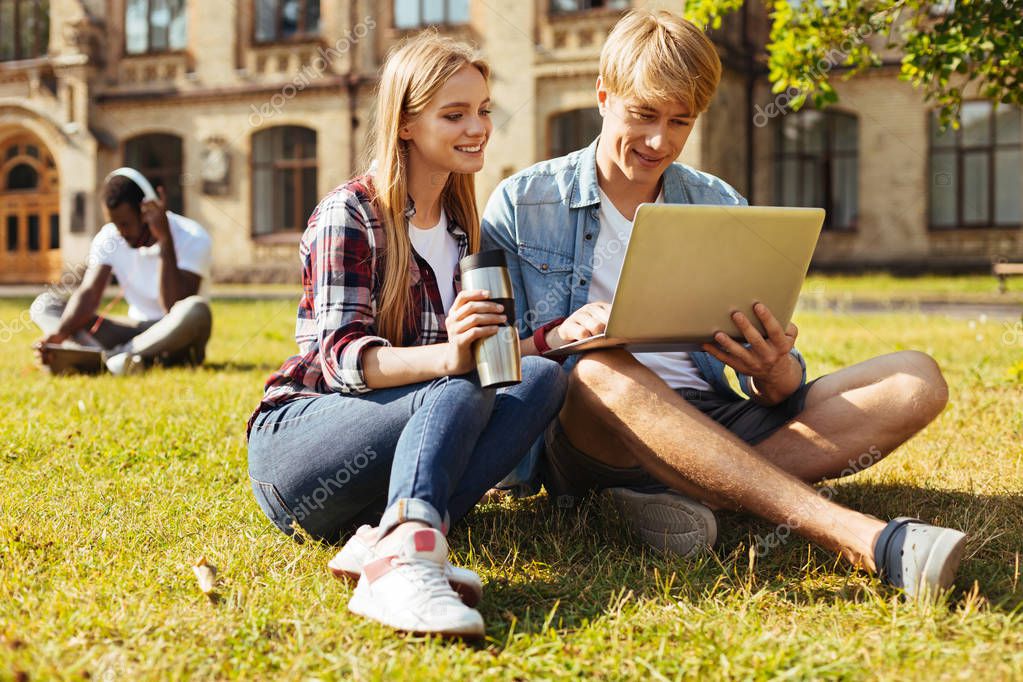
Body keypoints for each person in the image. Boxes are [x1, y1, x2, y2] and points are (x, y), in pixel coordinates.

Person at [482, 9, 966, 599]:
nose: (660, 140)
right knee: (596, 370)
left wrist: (775, 372)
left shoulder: (718, 202)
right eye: (644, 115)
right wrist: (559, 339)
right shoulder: (521, 202)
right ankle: (865, 539)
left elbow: (777, 384)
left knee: (916, 378)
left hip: (714, 413)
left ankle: (686, 492)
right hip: (594, 431)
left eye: (681, 121)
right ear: (603, 96)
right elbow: (490, 361)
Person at [246, 33, 566, 638]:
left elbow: (482, 359)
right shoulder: (352, 214)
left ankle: (388, 534)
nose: (478, 127)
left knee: (543, 379)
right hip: (301, 454)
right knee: (458, 381)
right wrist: (453, 356)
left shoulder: (464, 229)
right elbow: (342, 360)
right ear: (406, 125)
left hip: (386, 461)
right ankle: (404, 561)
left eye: (483, 110)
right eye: (454, 114)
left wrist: (559, 336)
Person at [31, 169, 212, 375]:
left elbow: (173, 306)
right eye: (115, 224)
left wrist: (165, 240)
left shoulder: (193, 236)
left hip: (175, 338)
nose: (121, 233)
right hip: (133, 332)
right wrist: (60, 333)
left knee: (197, 309)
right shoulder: (110, 237)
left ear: (146, 212)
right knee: (45, 305)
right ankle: (110, 359)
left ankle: (104, 359)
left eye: (125, 224)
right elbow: (89, 294)